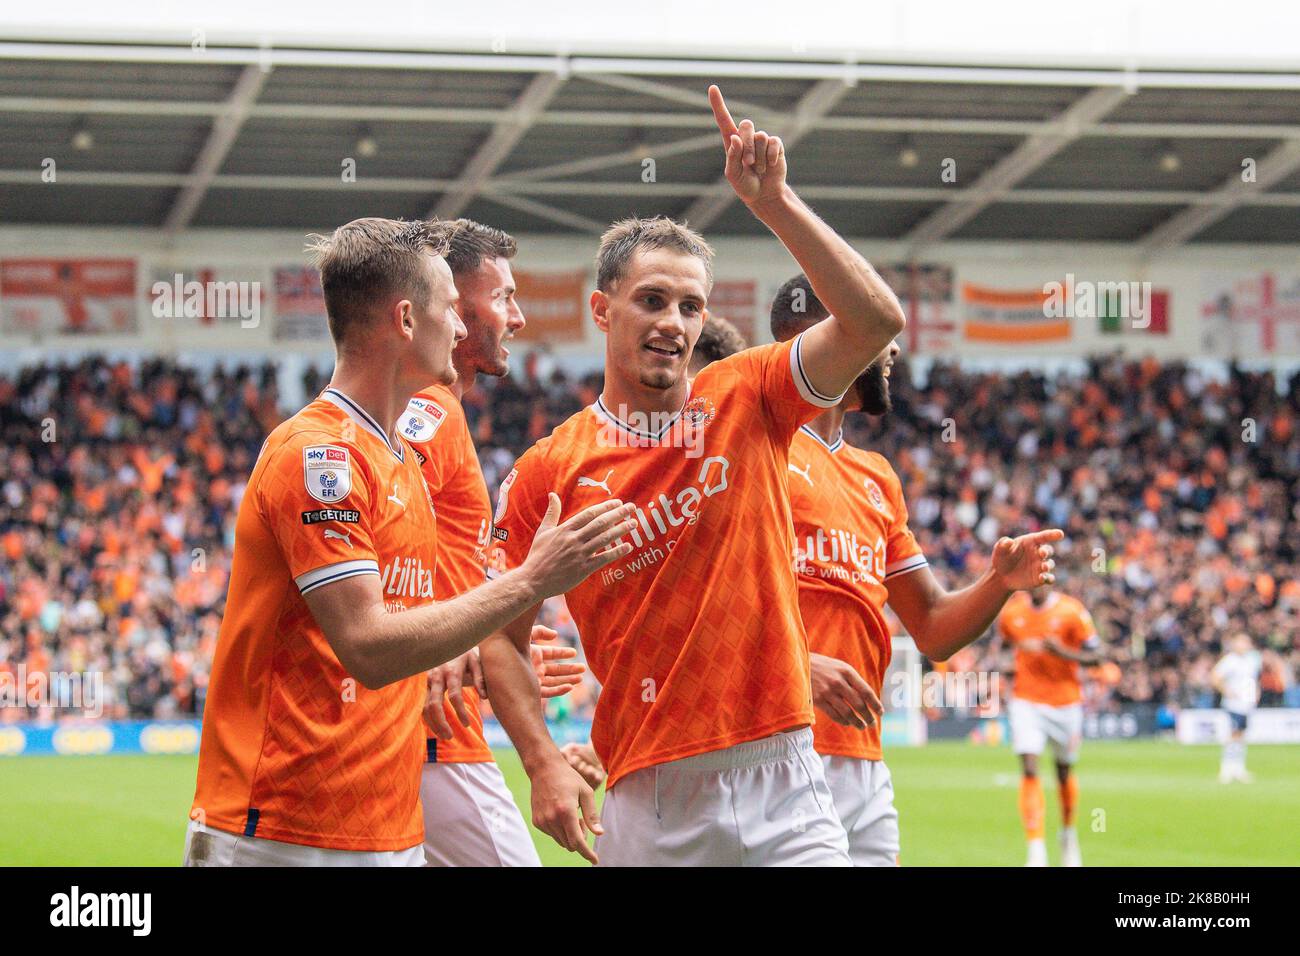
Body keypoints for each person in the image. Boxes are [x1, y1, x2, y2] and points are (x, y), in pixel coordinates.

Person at [479, 86, 906, 867]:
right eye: (651, 301)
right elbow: (500, 640)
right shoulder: (550, 468)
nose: (673, 322)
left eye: (689, 306)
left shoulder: (749, 394)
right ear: (603, 311)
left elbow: (875, 322)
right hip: (650, 797)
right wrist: (541, 758)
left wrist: (773, 202)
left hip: (784, 774)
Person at [185, 217, 635, 866]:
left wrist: (481, 656)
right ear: (404, 320)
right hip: (283, 823)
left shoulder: (396, 458)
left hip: (382, 818)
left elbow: (408, 625)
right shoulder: (321, 458)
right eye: (453, 308)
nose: (459, 328)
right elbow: (369, 645)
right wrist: (531, 581)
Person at [772, 274, 1063, 866]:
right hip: (776, 749)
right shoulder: (757, 445)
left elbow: (930, 625)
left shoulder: (876, 476)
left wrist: (998, 584)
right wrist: (798, 663)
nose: (894, 349)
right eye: (879, 330)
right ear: (818, 336)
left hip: (864, 760)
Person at [404, 218, 585, 866]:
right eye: (503, 297)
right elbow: (377, 546)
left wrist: (493, 654)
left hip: (429, 732)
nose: (518, 316)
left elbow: (427, 583)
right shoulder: (428, 410)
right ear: (450, 302)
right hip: (432, 740)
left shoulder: (436, 409)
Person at [995, 586, 1102, 867]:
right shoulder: (1012, 612)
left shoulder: (1072, 611)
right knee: (1029, 766)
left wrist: (1064, 652)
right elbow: (1005, 646)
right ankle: (1036, 849)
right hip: (1026, 700)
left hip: (1066, 703)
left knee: (1063, 771)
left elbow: (1097, 656)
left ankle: (1067, 835)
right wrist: (1006, 664)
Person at [1212, 632, 1261, 784]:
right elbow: (1215, 676)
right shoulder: (1230, 660)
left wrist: (1256, 692)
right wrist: (1227, 691)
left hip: (1247, 704)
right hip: (1233, 704)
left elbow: (1254, 680)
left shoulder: (1251, 660)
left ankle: (1238, 768)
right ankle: (1226, 768)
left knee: (1241, 735)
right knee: (1233, 735)